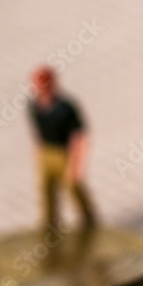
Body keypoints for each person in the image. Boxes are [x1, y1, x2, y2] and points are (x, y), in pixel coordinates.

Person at [28, 66, 97, 231]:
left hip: (64, 153)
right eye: (38, 85)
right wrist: (37, 150)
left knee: (73, 187)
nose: (40, 90)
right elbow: (36, 129)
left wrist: (77, 163)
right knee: (46, 190)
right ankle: (49, 225)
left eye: (44, 85)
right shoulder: (34, 106)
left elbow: (79, 136)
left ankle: (89, 222)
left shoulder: (65, 108)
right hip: (46, 152)